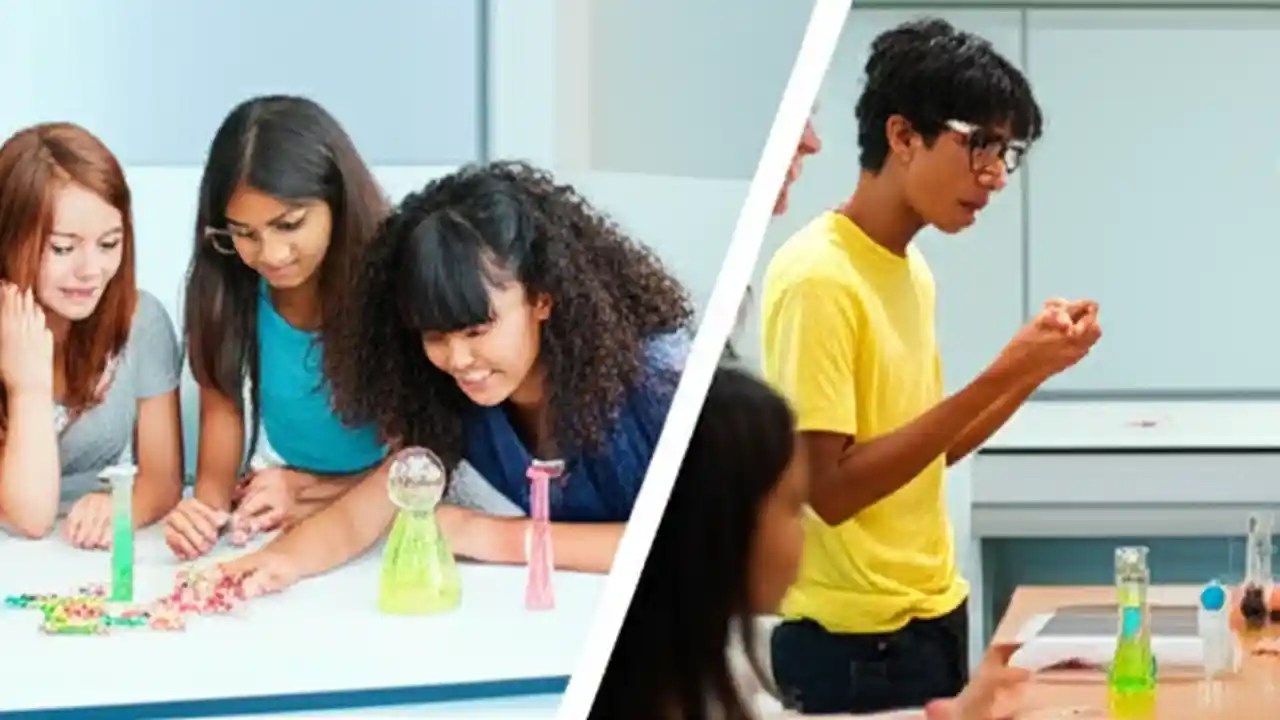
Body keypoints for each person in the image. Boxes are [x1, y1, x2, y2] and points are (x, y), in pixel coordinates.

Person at [759, 18, 1102, 714]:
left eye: (1006, 153)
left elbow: (927, 452)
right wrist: (1005, 372)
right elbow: (830, 491)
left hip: (930, 623)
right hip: (856, 648)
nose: (994, 177)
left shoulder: (909, 269)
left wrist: (1035, 367)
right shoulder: (819, 276)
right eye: (978, 145)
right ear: (902, 136)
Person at [218, 160, 694, 591]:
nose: (459, 358)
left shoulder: (660, 380)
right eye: (435, 336)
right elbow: (363, 514)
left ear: (542, 298)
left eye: (477, 329)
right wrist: (279, 563)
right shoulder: (451, 398)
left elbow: (700, 541)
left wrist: (490, 536)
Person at [590, 365, 1030, 720]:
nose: (804, 536)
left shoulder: (716, 654)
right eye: (794, 508)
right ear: (724, 520)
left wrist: (950, 716)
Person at [163, 95, 390, 560]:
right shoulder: (228, 287)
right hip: (302, 513)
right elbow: (221, 420)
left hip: (403, 516)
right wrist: (203, 517)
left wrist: (309, 491)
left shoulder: (393, 281)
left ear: (338, 202)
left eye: (289, 224)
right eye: (244, 233)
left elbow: (427, 463)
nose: (269, 254)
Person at [0, 122, 184, 545]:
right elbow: (28, 516)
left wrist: (123, 508)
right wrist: (28, 386)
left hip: (81, 557)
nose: (91, 271)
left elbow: (162, 480)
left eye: (109, 243)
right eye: (63, 248)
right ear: (10, 241)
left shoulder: (141, 321)